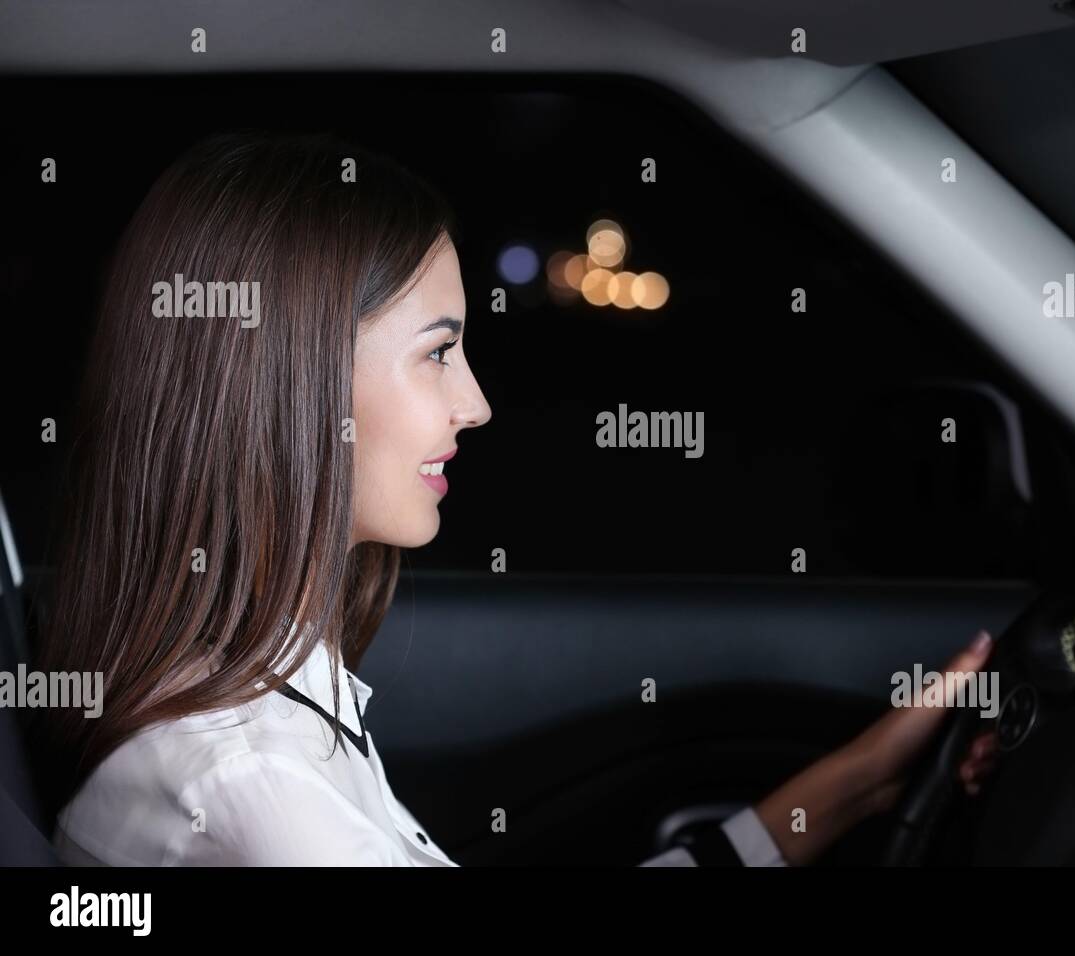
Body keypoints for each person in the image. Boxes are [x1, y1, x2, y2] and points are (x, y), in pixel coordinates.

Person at [28, 132, 996, 867]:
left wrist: (856, 786)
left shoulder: (269, 704)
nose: (476, 403)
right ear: (290, 381)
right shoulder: (252, 788)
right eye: (438, 352)